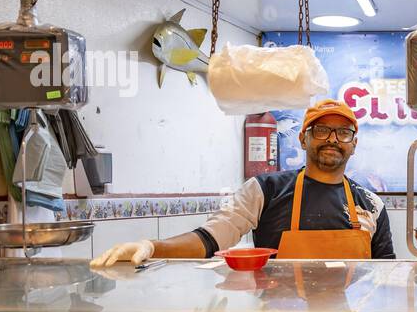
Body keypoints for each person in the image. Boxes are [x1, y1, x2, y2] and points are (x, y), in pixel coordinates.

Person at [91, 98, 394, 266]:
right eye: (321, 130)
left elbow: (386, 275)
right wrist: (152, 247)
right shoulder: (265, 190)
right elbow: (210, 239)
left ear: (353, 144)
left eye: (343, 133)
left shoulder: (370, 204)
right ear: (303, 139)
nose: (332, 139)